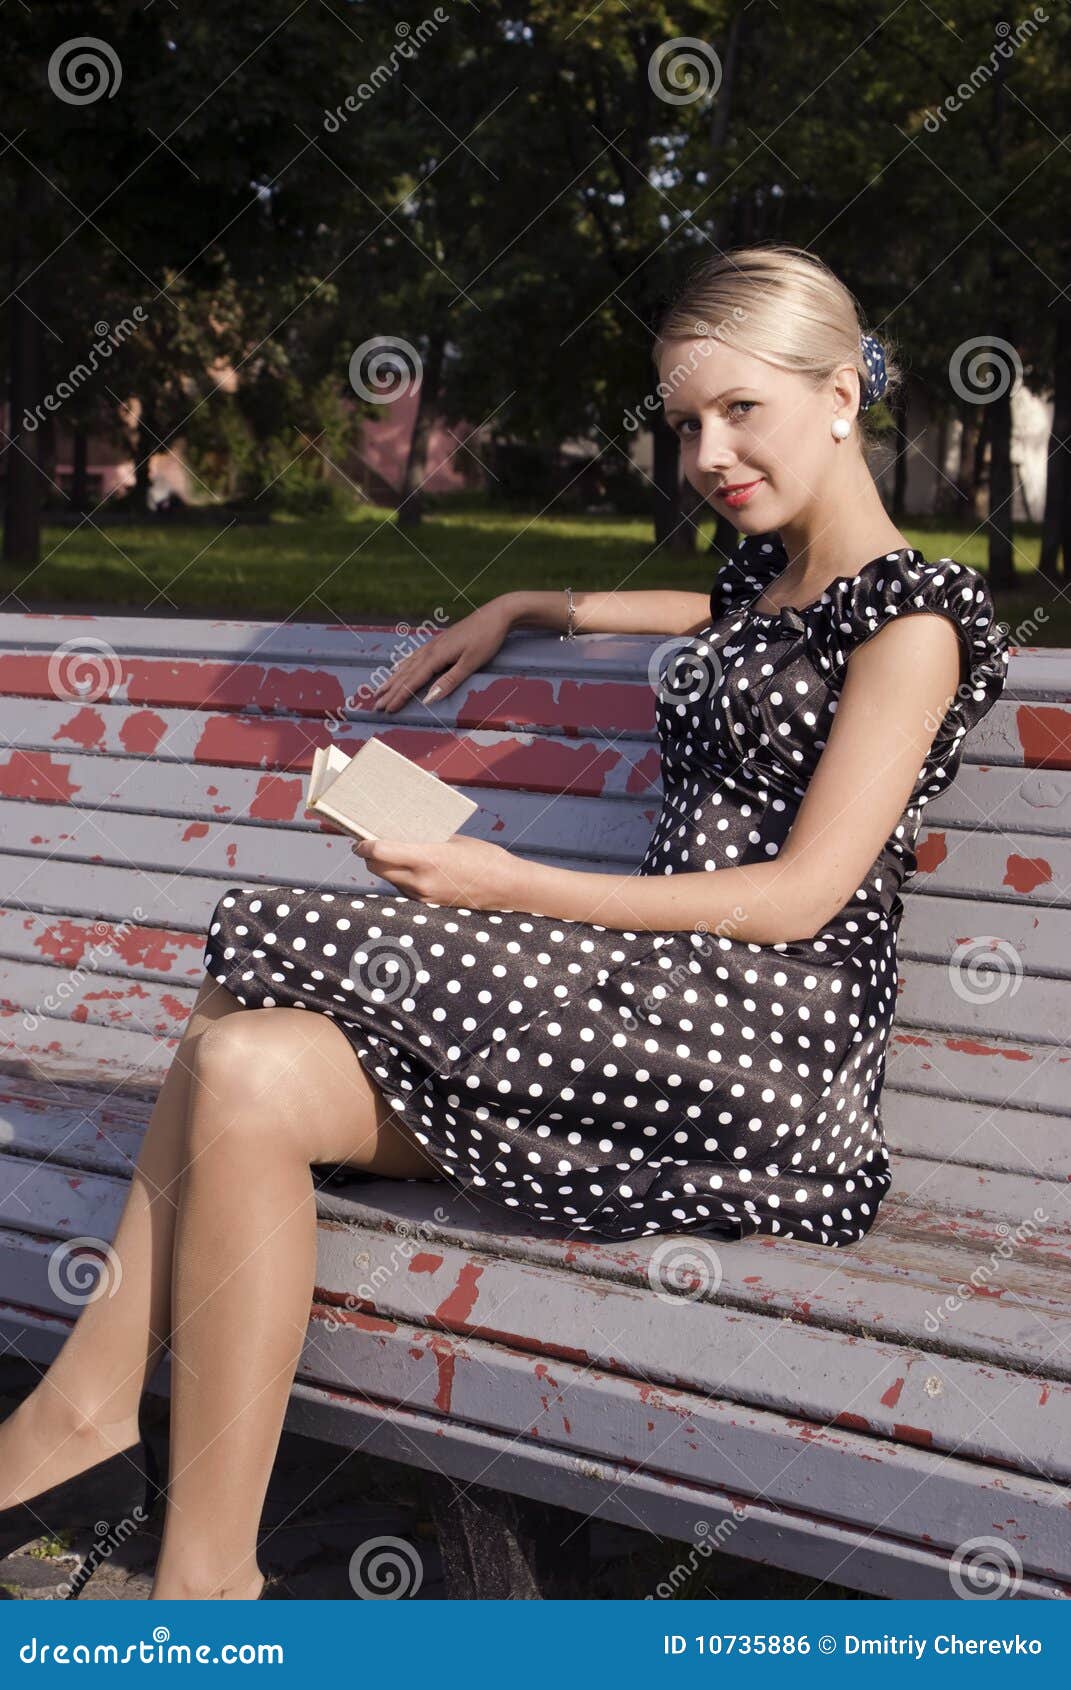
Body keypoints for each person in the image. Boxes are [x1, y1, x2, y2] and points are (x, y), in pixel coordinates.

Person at [0, 245, 1010, 1600]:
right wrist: (533, 603)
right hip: (641, 1011)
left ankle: (83, 1415)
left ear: (840, 396)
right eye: (686, 422)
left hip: (762, 1051)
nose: (709, 454)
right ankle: (203, 1576)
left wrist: (508, 884)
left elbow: (803, 895)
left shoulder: (917, 621)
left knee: (273, 931)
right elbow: (712, 622)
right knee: (240, 1066)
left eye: (740, 411)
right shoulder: (765, 585)